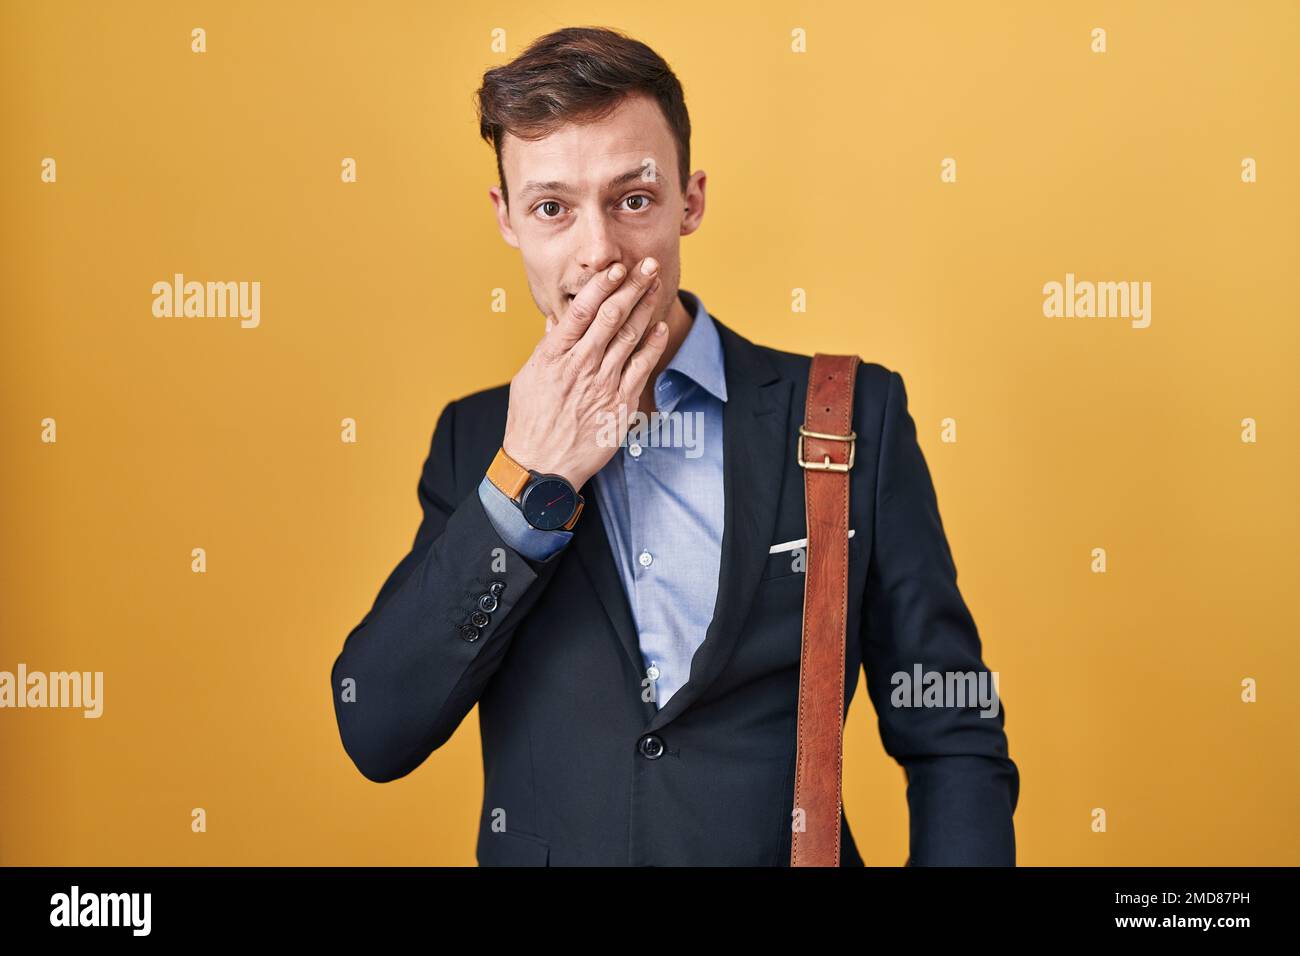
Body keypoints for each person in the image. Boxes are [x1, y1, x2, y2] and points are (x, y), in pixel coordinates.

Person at [329, 25, 1018, 866]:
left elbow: (954, 730)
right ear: (507, 220)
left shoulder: (848, 412)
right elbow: (377, 728)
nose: (599, 254)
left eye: (633, 200)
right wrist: (527, 479)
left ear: (689, 201)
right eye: (553, 207)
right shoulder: (476, 440)